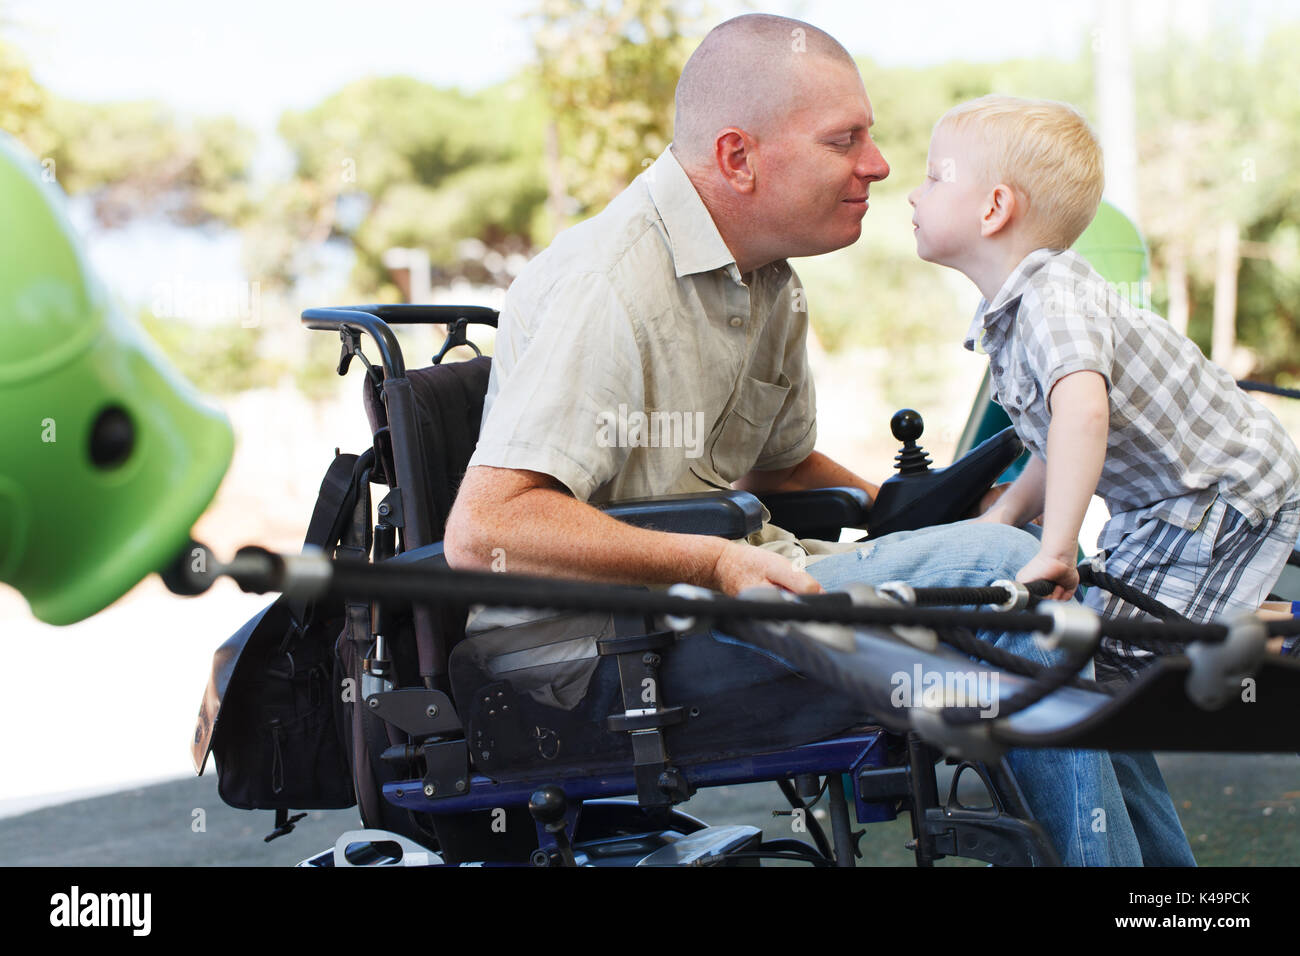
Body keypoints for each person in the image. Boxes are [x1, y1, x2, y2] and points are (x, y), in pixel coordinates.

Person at [445, 14, 1143, 865]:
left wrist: (903, 510)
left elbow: (777, 466)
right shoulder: (607, 284)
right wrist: (713, 563)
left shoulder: (768, 277)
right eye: (844, 140)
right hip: (601, 653)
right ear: (738, 158)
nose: (880, 166)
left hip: (734, 591)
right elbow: (486, 532)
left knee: (1054, 599)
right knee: (1008, 571)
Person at [907, 93, 1300, 864]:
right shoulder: (1017, 311)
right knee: (1101, 687)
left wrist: (1056, 548)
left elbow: (1083, 415)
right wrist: (1002, 520)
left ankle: (1281, 630)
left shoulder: (1055, 296)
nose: (914, 194)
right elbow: (1057, 439)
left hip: (1220, 495)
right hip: (1172, 505)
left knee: (1114, 661)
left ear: (993, 208)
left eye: (933, 177)